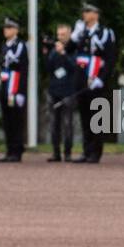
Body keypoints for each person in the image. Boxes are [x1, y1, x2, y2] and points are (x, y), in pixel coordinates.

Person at [71, 3, 115, 163]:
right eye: (84, 12)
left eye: (88, 11)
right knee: (84, 116)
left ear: (96, 15)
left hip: (96, 77)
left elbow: (110, 58)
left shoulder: (105, 32)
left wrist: (102, 79)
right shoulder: (81, 32)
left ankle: (96, 152)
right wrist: (73, 36)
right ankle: (86, 150)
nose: (85, 14)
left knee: (96, 116)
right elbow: (69, 50)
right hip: (82, 79)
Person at [44, 23, 82, 162]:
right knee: (54, 124)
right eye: (59, 34)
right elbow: (48, 68)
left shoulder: (74, 48)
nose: (60, 37)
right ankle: (56, 153)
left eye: (63, 34)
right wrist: (48, 53)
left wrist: (64, 53)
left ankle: (68, 153)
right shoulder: (54, 50)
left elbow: (75, 67)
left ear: (69, 34)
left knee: (67, 123)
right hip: (54, 90)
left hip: (68, 91)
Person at [0, 17, 28, 163]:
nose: (6, 30)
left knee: (16, 120)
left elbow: (23, 69)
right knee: (7, 120)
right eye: (5, 28)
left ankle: (17, 150)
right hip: (5, 86)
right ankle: (9, 150)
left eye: (9, 28)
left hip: (15, 87)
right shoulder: (4, 46)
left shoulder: (20, 45)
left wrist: (21, 92)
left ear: (16, 30)